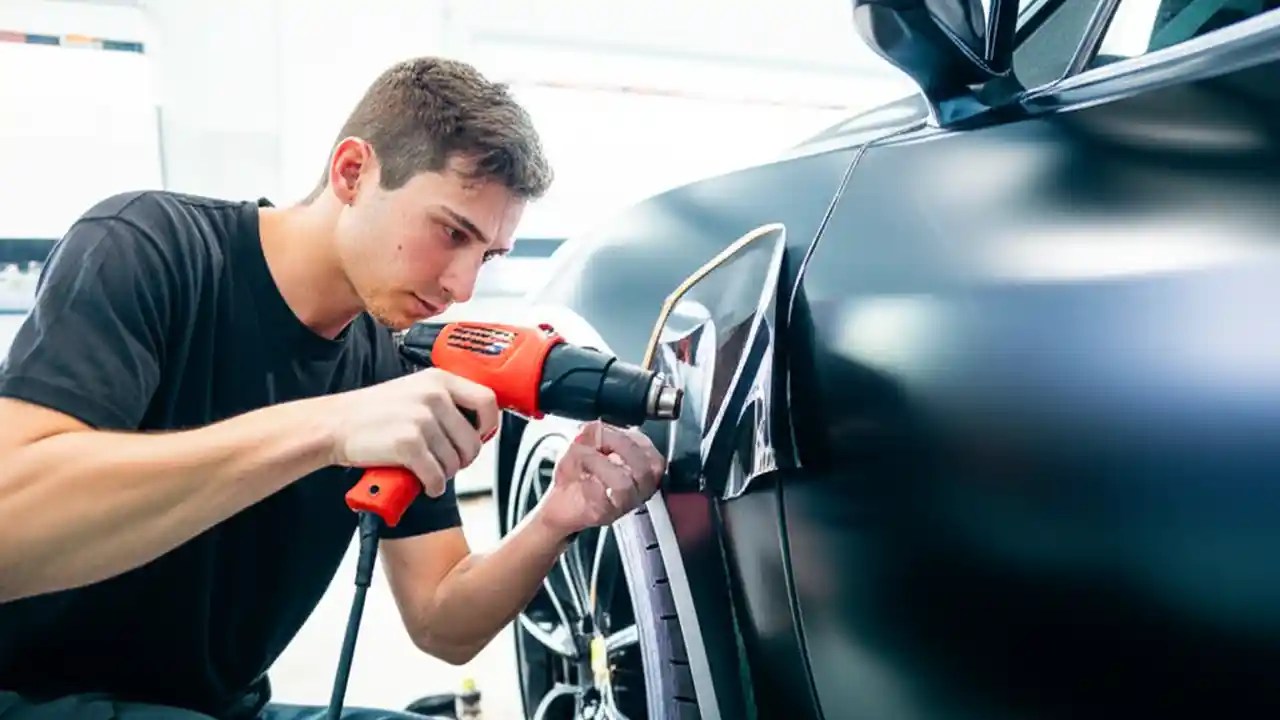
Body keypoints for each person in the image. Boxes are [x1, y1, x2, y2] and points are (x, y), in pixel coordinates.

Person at [0, 56, 666, 719]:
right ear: (353, 173)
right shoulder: (148, 246)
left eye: (486, 256)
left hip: (226, 708)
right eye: (451, 232)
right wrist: (330, 429)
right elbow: (11, 529)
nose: (461, 287)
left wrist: (555, 519)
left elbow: (442, 622)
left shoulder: (389, 365)